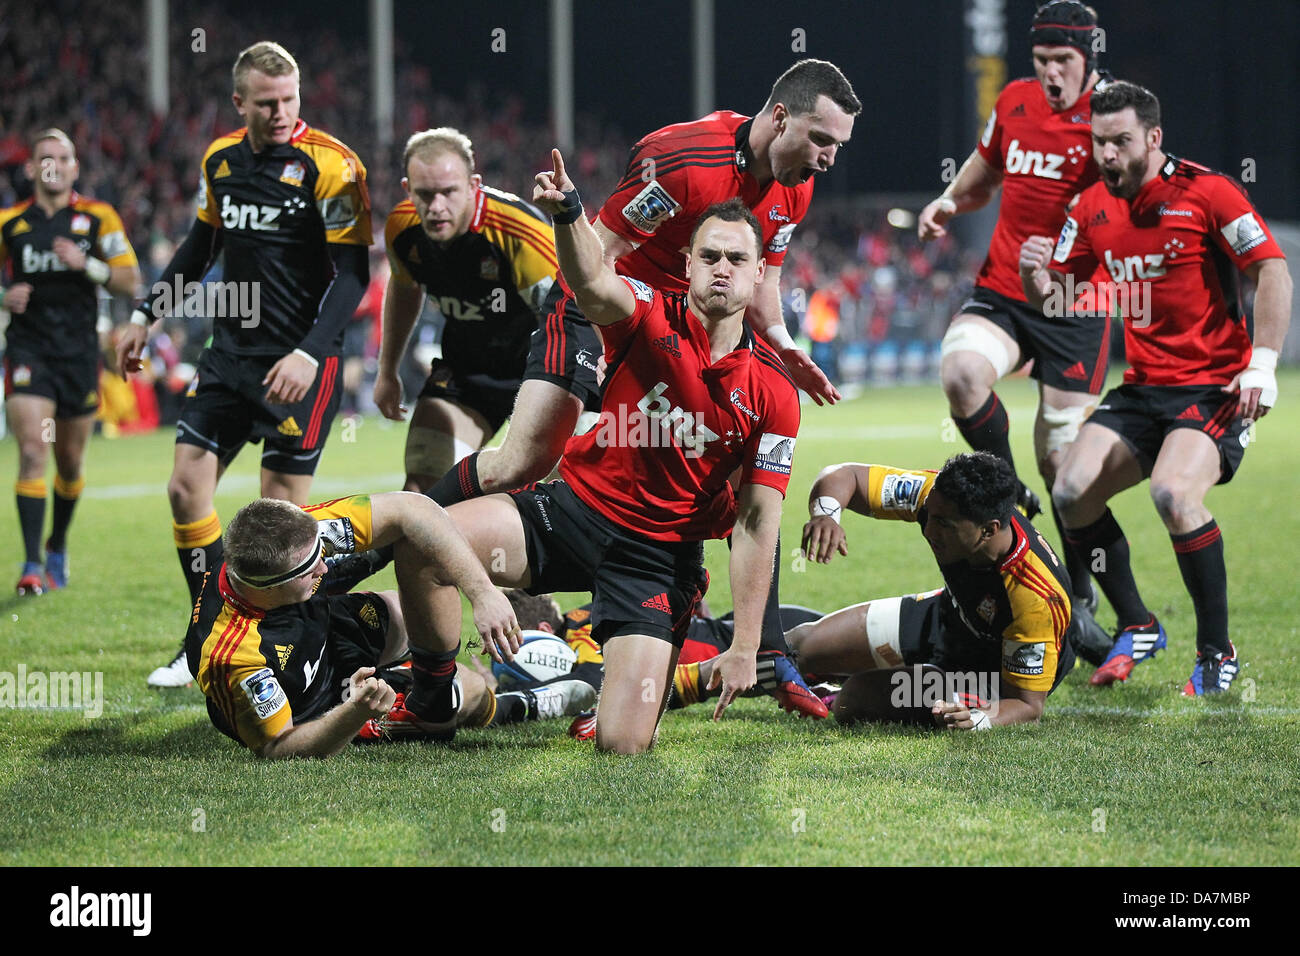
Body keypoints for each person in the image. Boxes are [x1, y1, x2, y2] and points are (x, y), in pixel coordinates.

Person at [400, 152, 800, 755]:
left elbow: (756, 520)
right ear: (687, 264)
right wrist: (569, 213)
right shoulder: (645, 312)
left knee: (622, 745)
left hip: (656, 560)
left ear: (758, 271)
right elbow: (591, 281)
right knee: (422, 543)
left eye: (737, 259)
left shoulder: (775, 393)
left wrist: (747, 645)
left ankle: (643, 678)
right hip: (570, 513)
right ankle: (430, 698)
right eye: (709, 256)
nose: (722, 268)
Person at [426, 58, 859, 517]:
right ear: (780, 118)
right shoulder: (684, 163)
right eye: (821, 139)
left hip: (675, 335)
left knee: (743, 478)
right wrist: (608, 342)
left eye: (839, 145)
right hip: (600, 312)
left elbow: (764, 278)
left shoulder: (796, 189)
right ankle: (402, 531)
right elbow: (597, 258)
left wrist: (782, 344)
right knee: (523, 463)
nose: (830, 158)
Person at [1020, 80, 1291, 695]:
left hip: (1214, 387)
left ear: (1153, 137)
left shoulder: (1209, 192)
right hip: (1144, 388)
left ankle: (1217, 652)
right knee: (1070, 492)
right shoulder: (1089, 206)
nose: (1107, 154)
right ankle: (1139, 624)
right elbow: (1059, 299)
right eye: (1099, 142)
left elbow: (1272, 270)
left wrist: (1263, 363)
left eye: (1120, 141)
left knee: (1173, 493)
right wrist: (1034, 276)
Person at [115, 42, 373, 688]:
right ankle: (202, 636)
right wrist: (146, 314)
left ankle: (291, 654)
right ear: (239, 103)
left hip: (301, 365)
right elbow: (199, 248)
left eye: (289, 99)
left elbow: (354, 276)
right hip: (230, 357)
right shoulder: (221, 160)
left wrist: (310, 352)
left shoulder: (335, 165)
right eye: (266, 103)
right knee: (185, 489)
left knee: (280, 526)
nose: (281, 112)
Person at [917, 0, 1110, 609]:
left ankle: (1078, 594)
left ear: (1088, 57)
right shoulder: (1015, 101)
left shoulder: (1111, 117)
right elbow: (984, 171)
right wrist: (949, 201)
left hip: (1075, 301)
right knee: (961, 373)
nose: (1051, 71)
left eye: (1063, 60)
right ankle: (1007, 495)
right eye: (1042, 58)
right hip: (1005, 288)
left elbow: (1135, 207)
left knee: (1063, 469)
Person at [186, 491, 594, 758]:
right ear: (268, 586)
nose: (324, 568)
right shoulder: (233, 656)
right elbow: (278, 748)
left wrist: (482, 592)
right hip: (310, 706)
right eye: (311, 568)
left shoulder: (293, 534)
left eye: (320, 554)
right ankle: (522, 705)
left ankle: (430, 694)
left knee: (409, 607)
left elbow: (412, 508)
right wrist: (354, 711)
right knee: (467, 692)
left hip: (320, 622)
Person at [791, 453, 1101, 729]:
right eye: (930, 515)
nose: (928, 530)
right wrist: (826, 515)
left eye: (944, 524)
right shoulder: (938, 496)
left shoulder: (1035, 598)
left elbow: (1027, 706)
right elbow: (844, 475)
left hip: (989, 676)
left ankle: (837, 689)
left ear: (988, 530)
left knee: (855, 698)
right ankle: (834, 669)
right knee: (797, 648)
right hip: (946, 619)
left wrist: (980, 719)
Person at [373, 127, 597, 493]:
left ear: (473, 185)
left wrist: (588, 390)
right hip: (468, 371)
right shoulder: (402, 228)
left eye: (448, 192)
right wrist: (387, 370)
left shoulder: (520, 233)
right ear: (407, 189)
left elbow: (573, 313)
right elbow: (404, 288)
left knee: (558, 491)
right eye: (425, 194)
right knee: (424, 485)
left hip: (542, 367)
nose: (436, 206)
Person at [1, 128, 141, 594]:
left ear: (75, 167)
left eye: (63, 158)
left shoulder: (99, 217)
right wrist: (3, 296)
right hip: (29, 351)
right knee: (32, 451)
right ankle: (31, 565)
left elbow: (130, 280)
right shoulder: (10, 222)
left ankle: (57, 543)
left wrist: (90, 266)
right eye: (46, 158)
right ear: (30, 168)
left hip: (79, 357)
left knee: (70, 464)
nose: (54, 166)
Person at [497, 591, 828, 739]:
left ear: (543, 633)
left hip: (781, 640)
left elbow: (591, 682)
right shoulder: (590, 616)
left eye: (512, 649)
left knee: (849, 663)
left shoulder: (580, 629)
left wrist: (509, 689)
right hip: (746, 634)